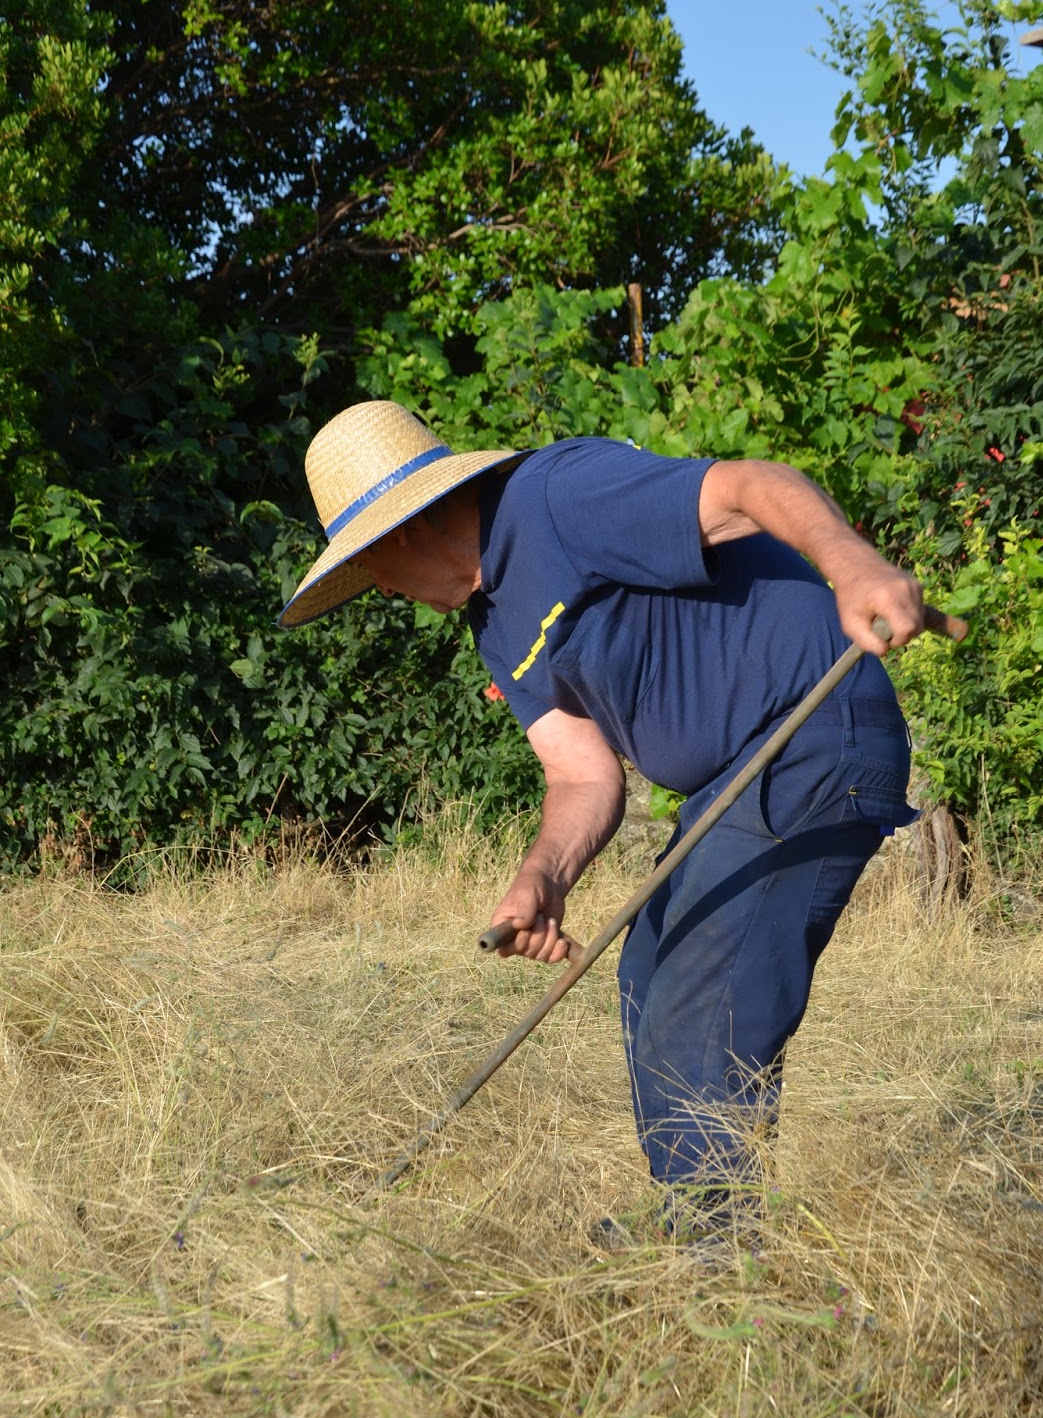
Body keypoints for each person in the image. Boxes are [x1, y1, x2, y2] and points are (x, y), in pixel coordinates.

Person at [278, 400, 924, 1241]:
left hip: (809, 737)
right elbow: (581, 774)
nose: (385, 593)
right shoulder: (492, 625)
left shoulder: (554, 496)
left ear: (394, 537)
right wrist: (542, 879)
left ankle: (720, 1266)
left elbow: (750, 485)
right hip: (730, 782)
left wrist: (852, 564)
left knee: (703, 996)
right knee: (647, 971)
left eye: (372, 574)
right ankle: (691, 1220)